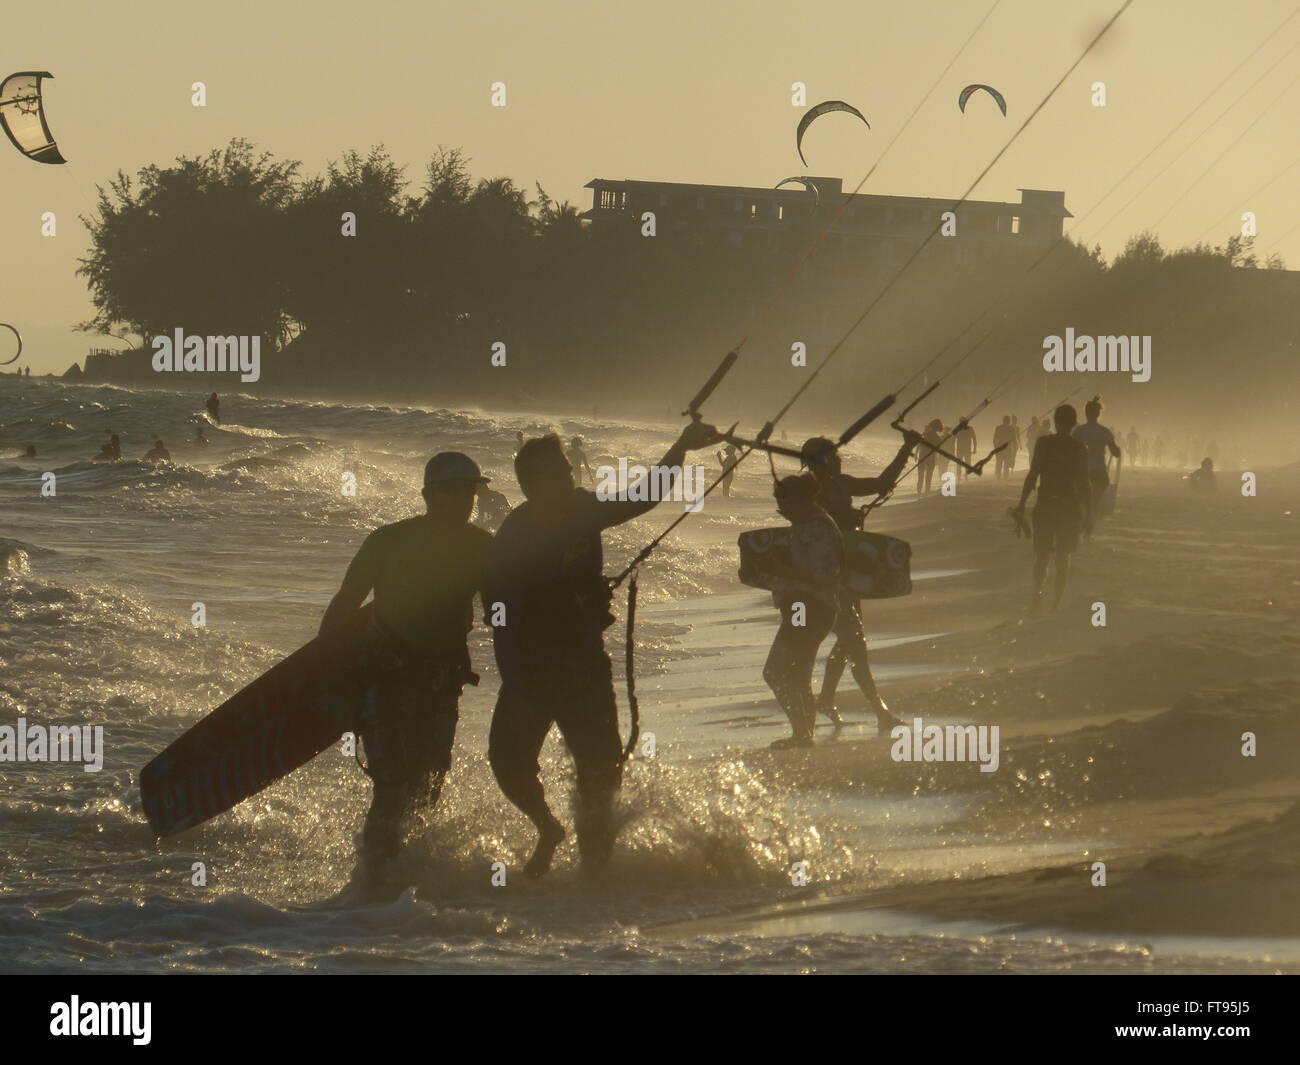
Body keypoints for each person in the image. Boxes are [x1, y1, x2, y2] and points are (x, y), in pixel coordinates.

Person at [487, 420, 721, 878]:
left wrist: (681, 446)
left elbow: (645, 495)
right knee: (508, 762)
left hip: (583, 665)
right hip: (529, 668)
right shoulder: (514, 535)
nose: (563, 480)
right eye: (550, 475)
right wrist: (514, 675)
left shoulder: (583, 509)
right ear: (527, 485)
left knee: (600, 769)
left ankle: (594, 869)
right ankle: (547, 827)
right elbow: (497, 610)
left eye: (564, 471)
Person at [319, 452, 494, 897]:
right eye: (452, 490)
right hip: (384, 680)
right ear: (427, 495)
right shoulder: (387, 541)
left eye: (470, 491)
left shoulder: (481, 547)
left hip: (442, 684)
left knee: (430, 783)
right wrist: (325, 675)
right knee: (393, 783)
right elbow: (345, 605)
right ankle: (373, 883)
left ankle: (408, 877)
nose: (463, 500)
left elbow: (498, 613)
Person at [800, 430, 920, 730]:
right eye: (833, 457)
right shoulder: (806, 491)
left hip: (848, 574)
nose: (840, 460)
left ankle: (826, 698)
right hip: (825, 579)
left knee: (850, 639)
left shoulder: (842, 483)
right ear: (820, 461)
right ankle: (880, 712)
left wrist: (906, 449)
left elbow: (882, 484)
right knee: (855, 641)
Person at [762, 474, 842, 748]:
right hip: (812, 608)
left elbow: (819, 576)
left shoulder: (815, 528)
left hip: (807, 608)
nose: (779, 506)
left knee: (774, 673)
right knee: (799, 675)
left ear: (799, 498)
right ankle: (804, 734)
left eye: (782, 499)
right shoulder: (808, 524)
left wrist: (782, 568)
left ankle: (801, 733)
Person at [1013, 404, 1092, 615]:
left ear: (1056, 423)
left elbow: (1032, 476)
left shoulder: (1044, 444)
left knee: (1042, 556)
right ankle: (1055, 605)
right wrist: (1090, 515)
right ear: (1074, 424)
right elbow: (1085, 484)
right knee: (1063, 558)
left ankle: (1038, 594)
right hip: (1069, 508)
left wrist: (1021, 504)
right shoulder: (1079, 448)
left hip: (1046, 504)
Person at [1071, 395, 1121, 518]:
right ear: (1098, 414)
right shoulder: (1105, 432)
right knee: (1095, 503)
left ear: (1086, 414)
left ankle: (1083, 526)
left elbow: (1070, 451)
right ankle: (1090, 526)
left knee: (1081, 502)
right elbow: (1116, 452)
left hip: (1082, 472)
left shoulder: (1079, 431)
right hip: (1099, 471)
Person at [917, 418, 942, 494]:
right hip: (931, 458)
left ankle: (919, 493)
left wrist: (916, 454)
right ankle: (926, 493)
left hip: (922, 457)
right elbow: (937, 450)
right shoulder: (938, 438)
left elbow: (920, 445)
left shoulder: (925, 435)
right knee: (928, 477)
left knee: (920, 477)